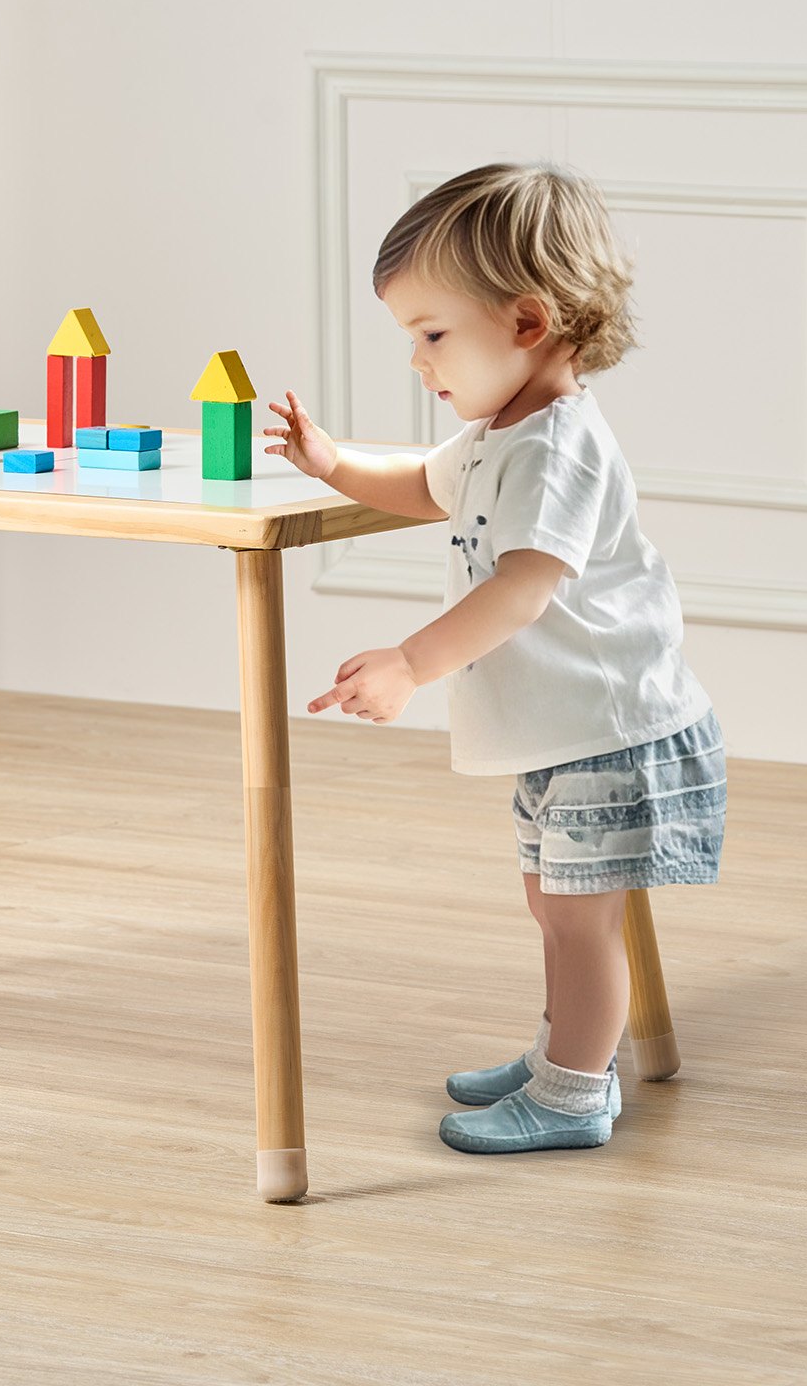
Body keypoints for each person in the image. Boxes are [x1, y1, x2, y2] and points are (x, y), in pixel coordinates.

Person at [264, 162, 726, 1154]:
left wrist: (409, 662)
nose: (418, 360)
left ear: (526, 322)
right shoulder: (495, 433)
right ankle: (569, 1050)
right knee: (551, 905)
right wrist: (334, 463)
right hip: (562, 729)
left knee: (574, 920)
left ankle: (572, 1094)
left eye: (431, 333)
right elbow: (424, 488)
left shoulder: (554, 448)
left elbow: (521, 586)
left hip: (609, 728)